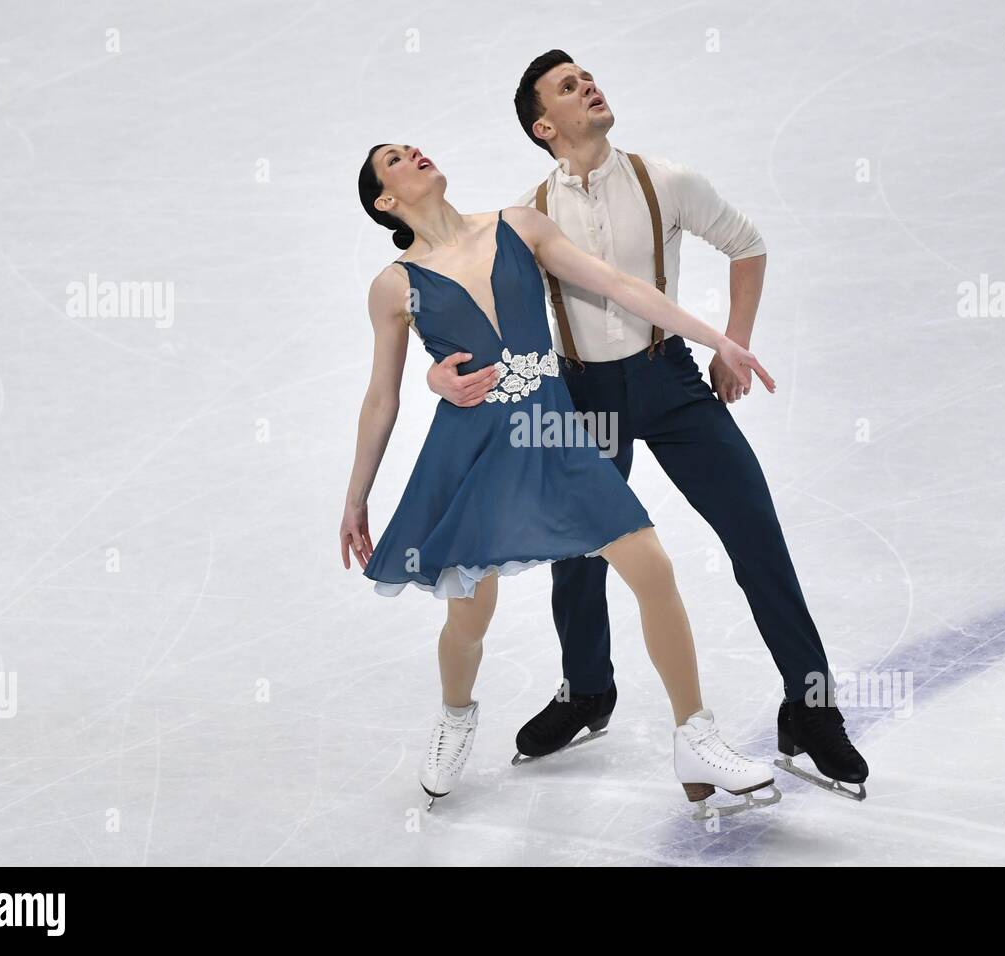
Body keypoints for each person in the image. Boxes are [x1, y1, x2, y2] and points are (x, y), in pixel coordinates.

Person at [423, 51, 869, 799]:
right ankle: (587, 690)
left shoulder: (666, 181)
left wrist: (733, 343)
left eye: (587, 77)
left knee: (755, 532)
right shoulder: (529, 216)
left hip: (670, 383)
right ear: (544, 125)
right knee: (579, 555)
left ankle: (811, 707)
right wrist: (439, 374)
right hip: (582, 394)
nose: (588, 87)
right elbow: (484, 309)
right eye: (568, 87)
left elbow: (747, 244)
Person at [342, 142, 782, 816]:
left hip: (552, 432)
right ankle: (456, 715)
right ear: (385, 201)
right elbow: (382, 397)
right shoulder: (394, 286)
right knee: (471, 614)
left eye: (414, 148)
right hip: (474, 450)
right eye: (396, 160)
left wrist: (715, 337)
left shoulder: (517, 225)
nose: (416, 155)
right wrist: (356, 498)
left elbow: (620, 286)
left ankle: (696, 734)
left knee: (652, 568)